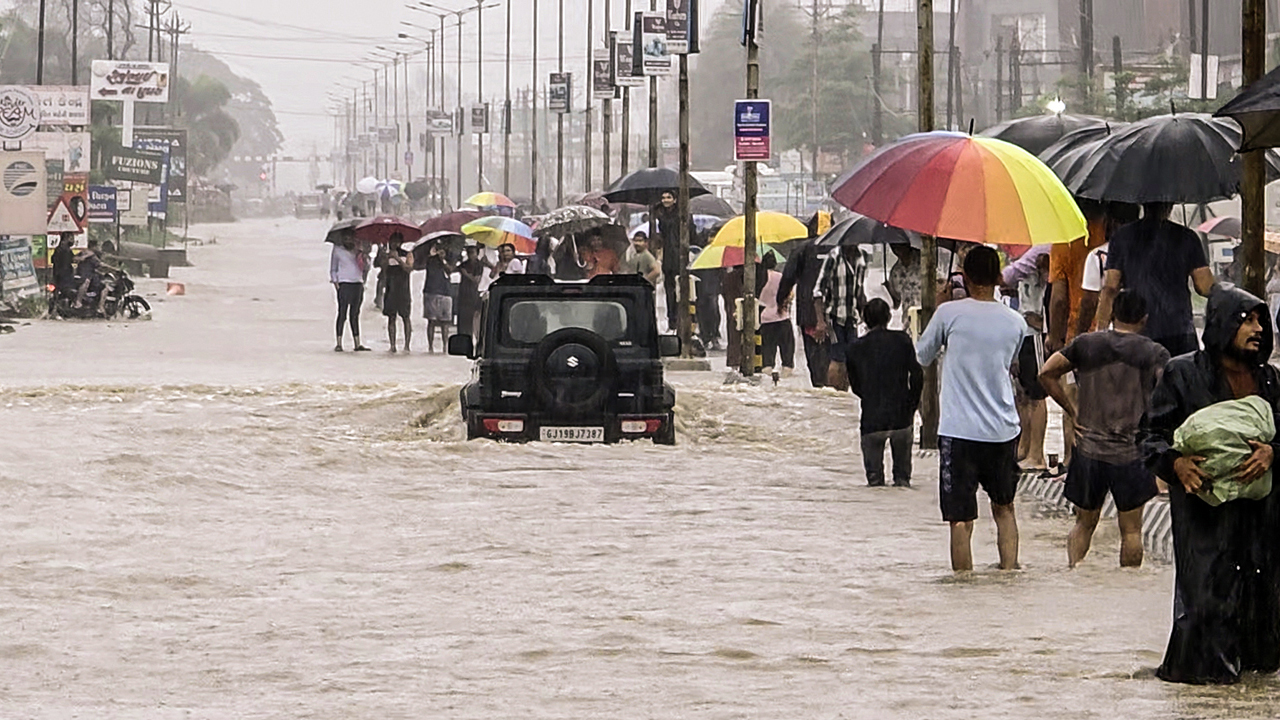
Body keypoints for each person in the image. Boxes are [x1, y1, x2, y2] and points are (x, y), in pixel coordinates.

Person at [1140, 285, 1280, 685]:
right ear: (1222, 325)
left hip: (1261, 515)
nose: (1257, 329)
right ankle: (1200, 691)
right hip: (1203, 513)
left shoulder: (1269, 381)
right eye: (1247, 320)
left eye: (1260, 321)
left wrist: (1272, 453)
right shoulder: (1183, 374)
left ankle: (1251, 691)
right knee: (1204, 600)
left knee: (1260, 599)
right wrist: (1177, 464)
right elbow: (1150, 435)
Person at [916, 246, 1029, 572]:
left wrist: (938, 308)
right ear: (998, 277)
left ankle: (963, 588)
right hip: (1003, 430)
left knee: (961, 521)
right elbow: (1008, 363)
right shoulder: (1015, 322)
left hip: (958, 432)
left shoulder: (948, 314)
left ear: (963, 275)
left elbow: (923, 355)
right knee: (1005, 509)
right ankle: (1010, 575)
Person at [1039, 290, 1170, 568]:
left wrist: (1071, 411)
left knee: (1083, 524)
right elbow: (1169, 398)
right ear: (1144, 319)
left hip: (1088, 450)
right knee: (1132, 531)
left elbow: (1046, 373)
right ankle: (1127, 589)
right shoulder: (1154, 353)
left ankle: (1074, 576)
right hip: (1132, 453)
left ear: (1112, 314)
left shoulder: (1087, 344)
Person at [1096, 202, 1216, 357]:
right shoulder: (1186, 237)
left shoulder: (1121, 237)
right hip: (1179, 330)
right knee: (1181, 379)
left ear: (1142, 204)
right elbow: (1204, 286)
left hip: (1135, 330)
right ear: (1170, 205)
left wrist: (1101, 331)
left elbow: (1111, 288)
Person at [848, 298, 922, 487]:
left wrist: (870, 397)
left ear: (864, 319)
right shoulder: (903, 341)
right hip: (901, 418)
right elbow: (916, 376)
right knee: (903, 481)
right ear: (889, 317)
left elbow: (856, 386)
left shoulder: (855, 348)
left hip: (872, 419)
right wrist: (911, 406)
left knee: (874, 484)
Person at [813, 244, 868, 391]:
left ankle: (845, 395)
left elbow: (859, 290)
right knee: (837, 358)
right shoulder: (834, 257)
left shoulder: (862, 258)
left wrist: (867, 315)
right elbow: (818, 291)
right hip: (834, 316)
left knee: (852, 359)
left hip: (852, 317)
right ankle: (835, 397)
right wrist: (820, 321)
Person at [778, 235, 830, 387]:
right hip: (836, 313)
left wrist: (781, 300)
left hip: (808, 313)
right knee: (835, 355)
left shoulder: (802, 249)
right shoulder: (838, 247)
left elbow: (788, 277)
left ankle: (819, 385)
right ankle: (833, 390)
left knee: (814, 354)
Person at [330, 232, 370, 351]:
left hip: (357, 283)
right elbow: (333, 268)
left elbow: (366, 268)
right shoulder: (337, 250)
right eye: (345, 237)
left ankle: (357, 343)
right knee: (342, 314)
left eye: (350, 237)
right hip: (344, 283)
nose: (348, 240)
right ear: (342, 238)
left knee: (355, 314)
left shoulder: (358, 250)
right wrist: (335, 282)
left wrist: (364, 255)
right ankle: (339, 343)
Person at [758, 253, 795, 377]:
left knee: (767, 347)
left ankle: (768, 367)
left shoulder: (759, 278)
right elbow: (790, 295)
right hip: (782, 316)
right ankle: (786, 368)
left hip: (764, 318)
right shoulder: (781, 277)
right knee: (787, 346)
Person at [380, 238, 413, 353]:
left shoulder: (407, 254)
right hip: (391, 289)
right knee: (391, 318)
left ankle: (407, 345)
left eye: (396, 241)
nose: (394, 244)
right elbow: (382, 270)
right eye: (392, 242)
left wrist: (398, 259)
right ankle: (392, 345)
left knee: (406, 318)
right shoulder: (387, 255)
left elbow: (409, 269)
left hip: (404, 290)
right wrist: (386, 257)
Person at [884, 244, 921, 330]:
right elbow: (896, 303)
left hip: (926, 317)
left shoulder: (925, 261)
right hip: (908, 321)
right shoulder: (896, 271)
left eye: (899, 245)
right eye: (893, 247)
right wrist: (888, 290)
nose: (896, 250)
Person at [455, 243, 486, 339]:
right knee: (462, 319)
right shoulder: (464, 264)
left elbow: (476, 280)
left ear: (477, 253)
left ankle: (472, 338)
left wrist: (466, 274)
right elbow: (451, 270)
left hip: (473, 295)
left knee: (472, 319)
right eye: (469, 253)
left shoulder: (479, 265)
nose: (470, 255)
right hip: (462, 294)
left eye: (472, 253)